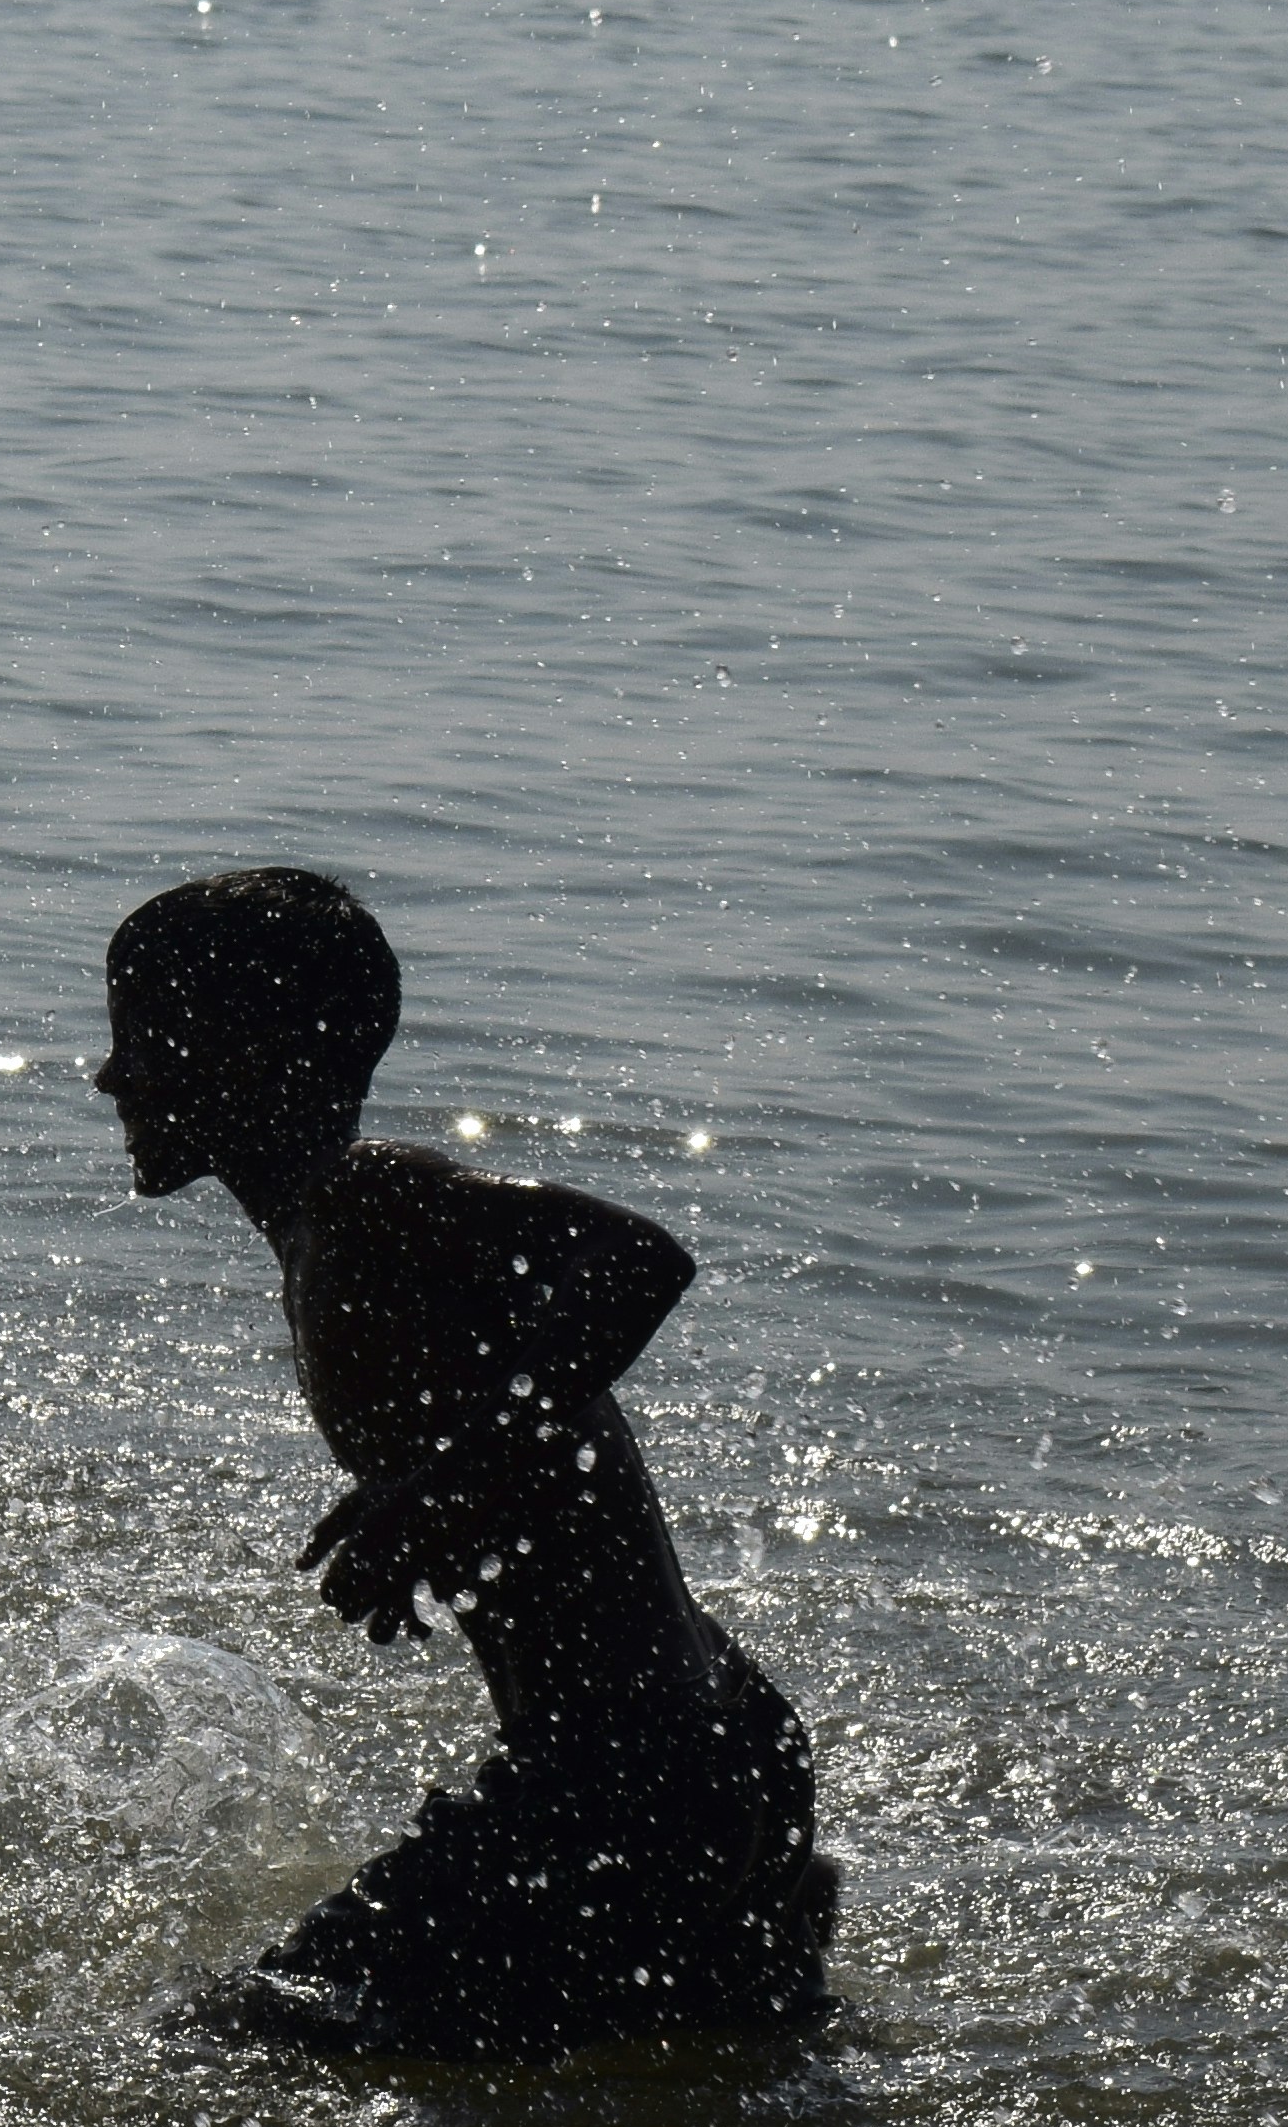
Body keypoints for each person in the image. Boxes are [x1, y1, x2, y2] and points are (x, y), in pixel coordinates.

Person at [96, 868, 832, 2056]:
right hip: (719, 1740)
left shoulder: (366, 1200)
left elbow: (641, 1260)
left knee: (229, 2042)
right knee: (720, 2077)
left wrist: (443, 1482)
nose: (112, 1075)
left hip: (617, 1785)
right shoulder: (325, 1237)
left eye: (146, 1041)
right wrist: (452, 1500)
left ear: (260, 1056)